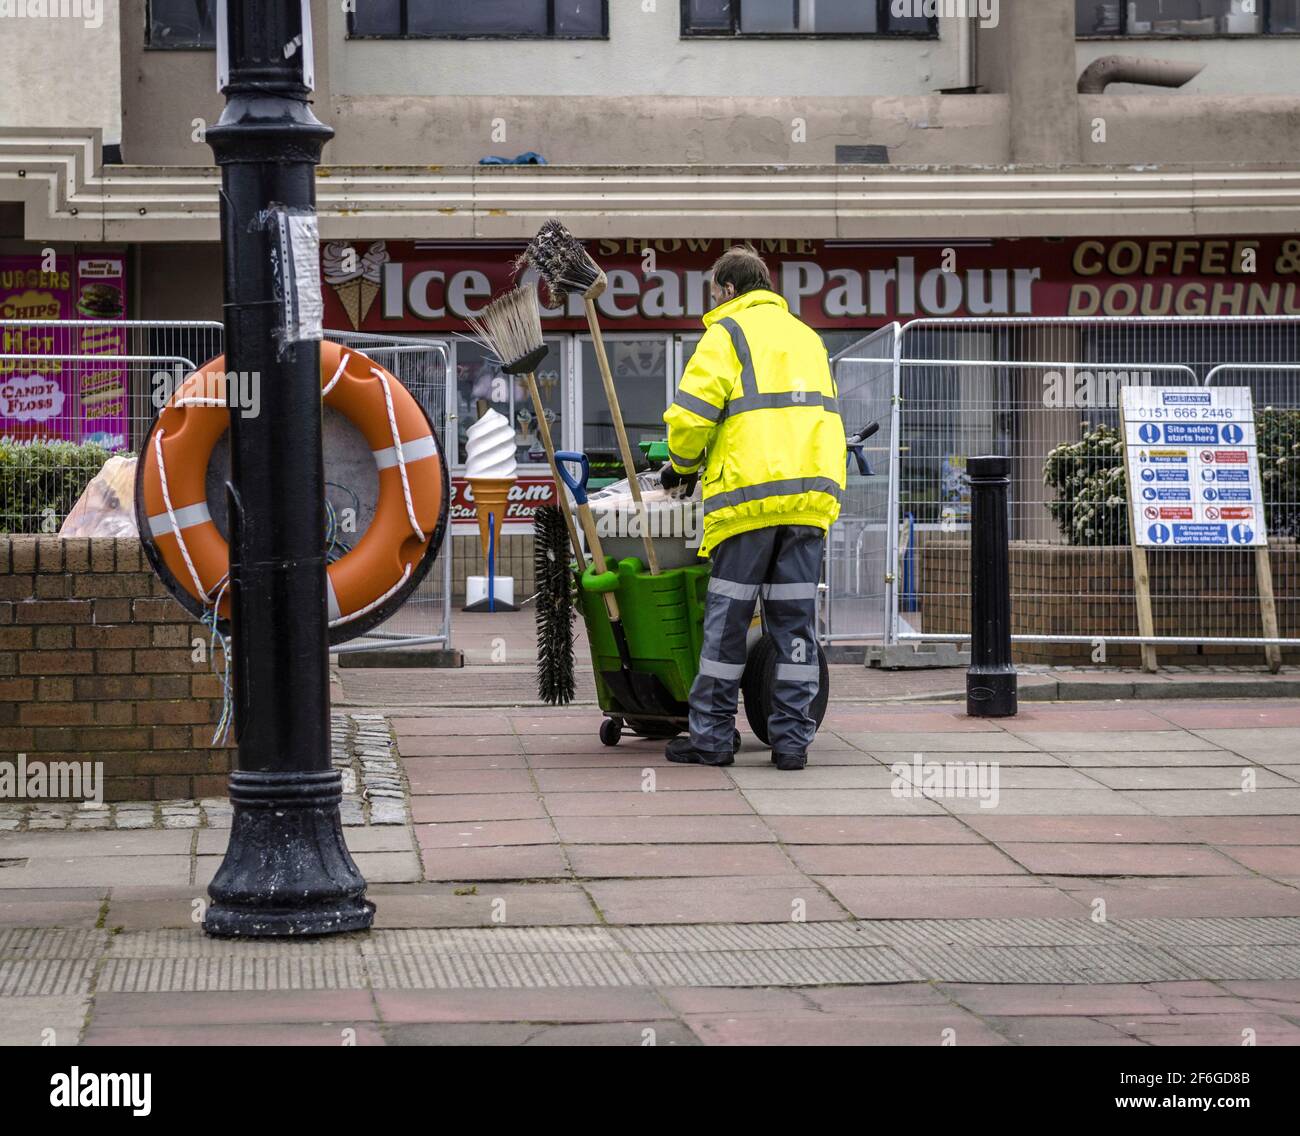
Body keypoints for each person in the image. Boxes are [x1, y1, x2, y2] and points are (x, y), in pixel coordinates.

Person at [661, 244, 846, 771]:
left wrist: (681, 463)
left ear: (726, 289)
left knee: (728, 623)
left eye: (713, 290)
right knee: (795, 627)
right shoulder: (807, 337)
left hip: (749, 501)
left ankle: (713, 739)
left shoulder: (728, 332)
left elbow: (694, 414)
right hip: (809, 500)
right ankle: (792, 743)